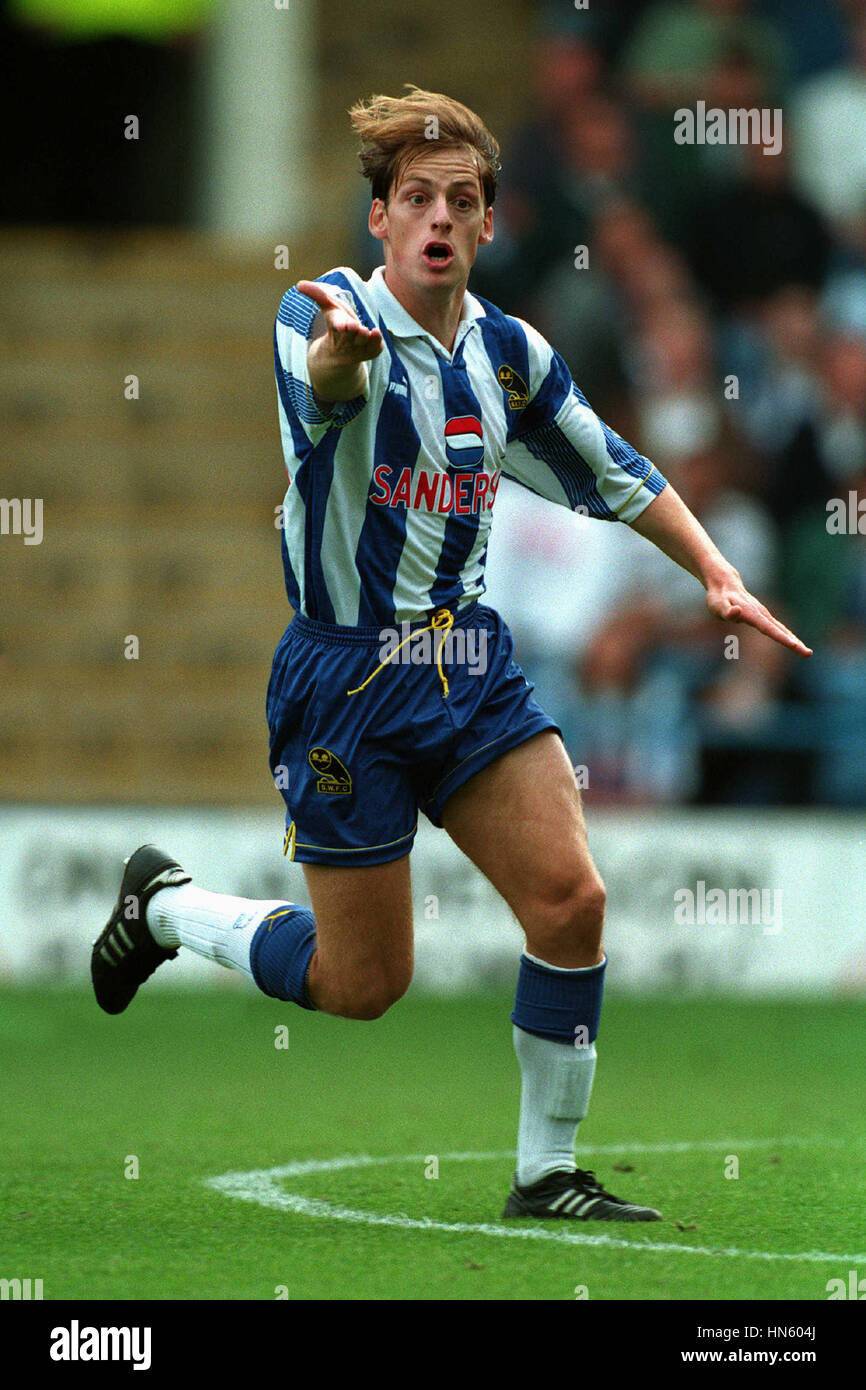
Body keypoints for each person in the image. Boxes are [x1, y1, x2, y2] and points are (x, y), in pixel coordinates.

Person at [91, 87, 811, 1223]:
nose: (438, 215)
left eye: (460, 200)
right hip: (344, 681)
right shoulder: (317, 312)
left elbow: (615, 464)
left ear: (485, 226)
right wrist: (342, 358)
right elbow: (326, 382)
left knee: (570, 900)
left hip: (468, 665)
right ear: (379, 220)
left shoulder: (510, 354)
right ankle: (168, 907)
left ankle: (544, 1173)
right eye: (415, 196)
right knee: (362, 984)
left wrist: (714, 573)